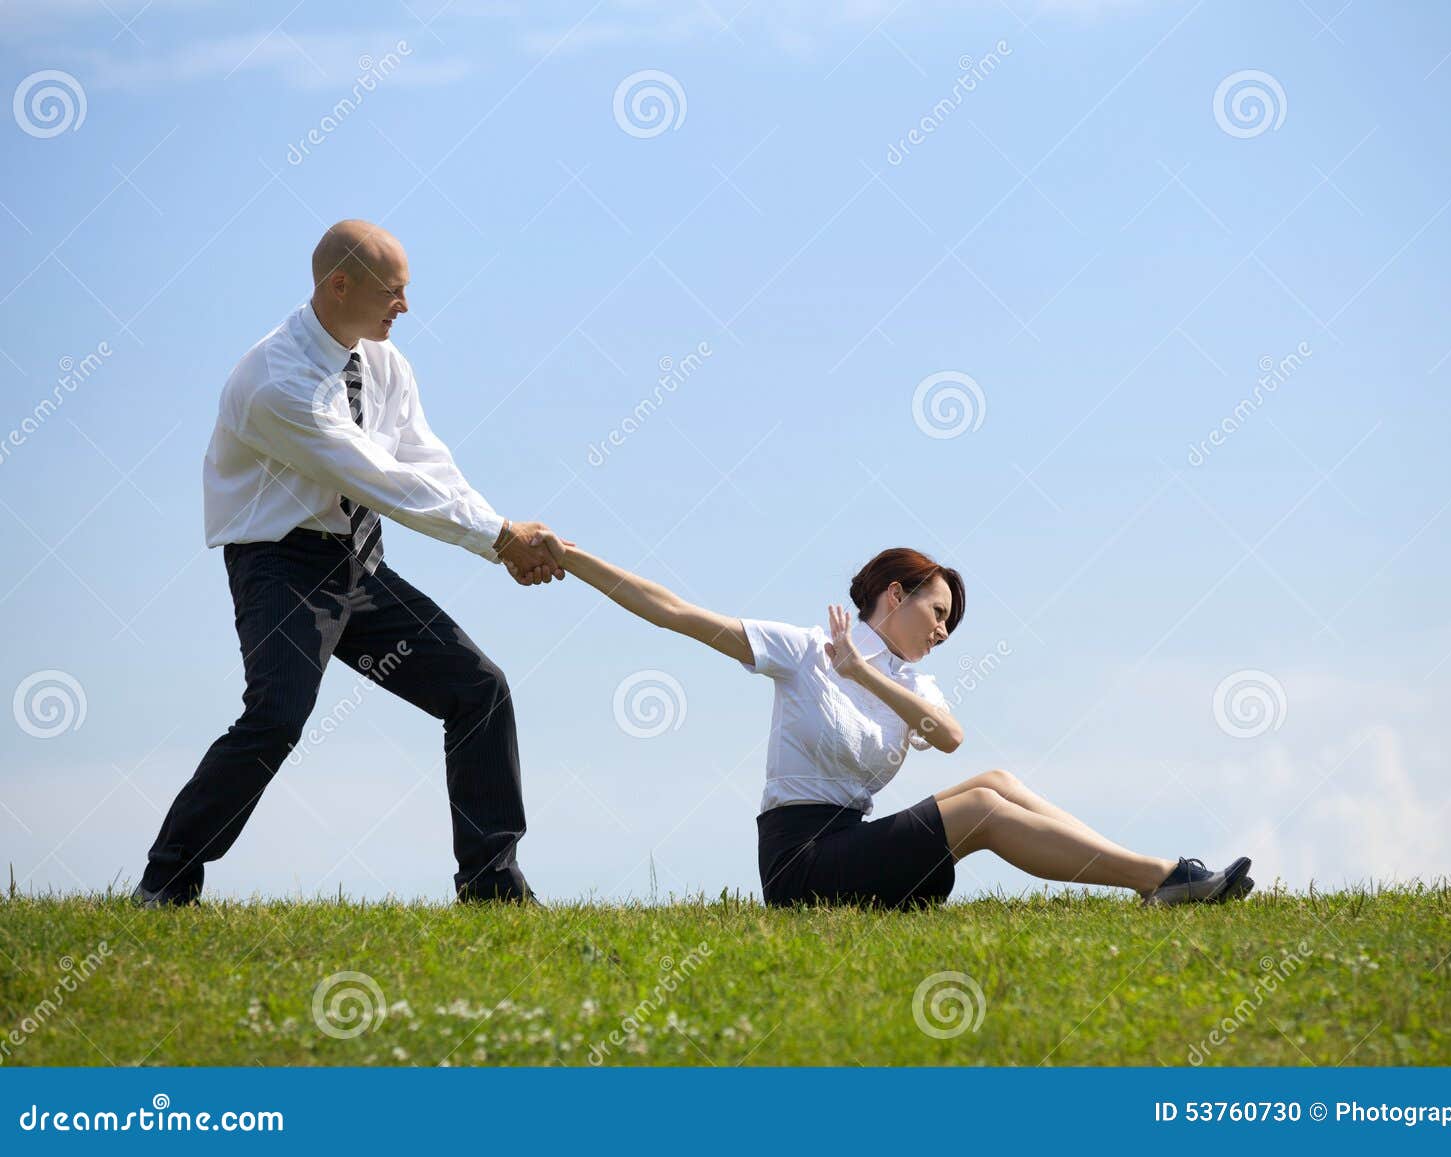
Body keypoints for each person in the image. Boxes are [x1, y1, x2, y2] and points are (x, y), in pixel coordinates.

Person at [135, 220, 564, 907]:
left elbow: (424, 462)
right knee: (275, 716)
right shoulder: (277, 382)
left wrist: (498, 536)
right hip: (281, 565)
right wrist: (498, 537)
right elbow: (377, 480)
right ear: (340, 285)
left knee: (479, 690)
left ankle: (491, 883)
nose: (405, 306)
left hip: (358, 564)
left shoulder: (387, 363)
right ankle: (166, 881)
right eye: (393, 291)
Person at [528, 537, 1254, 908]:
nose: (942, 632)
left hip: (861, 848)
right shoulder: (805, 649)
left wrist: (865, 672)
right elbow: (678, 612)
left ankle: (1153, 875)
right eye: (937, 614)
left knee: (993, 779)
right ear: (896, 595)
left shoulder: (909, 682)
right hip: (801, 862)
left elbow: (951, 737)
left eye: (949, 626)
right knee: (980, 808)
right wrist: (574, 558)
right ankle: (1163, 879)